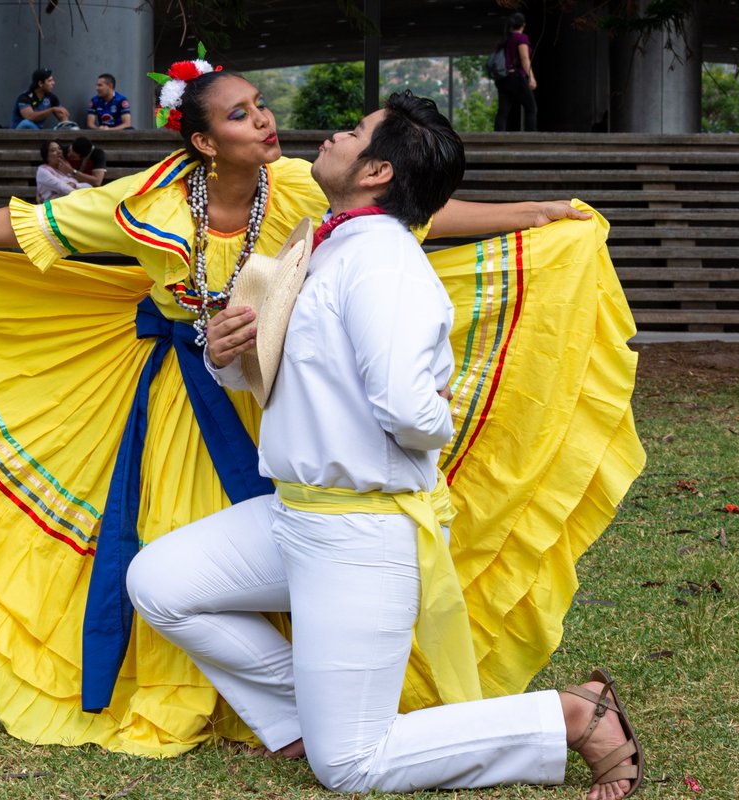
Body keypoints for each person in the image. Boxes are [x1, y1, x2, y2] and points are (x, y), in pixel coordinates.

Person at [0, 54, 644, 756]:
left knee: (289, 555)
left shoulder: (319, 198)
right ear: (202, 140)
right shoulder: (151, 202)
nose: (268, 121)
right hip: (202, 393)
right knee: (163, 561)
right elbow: (30, 230)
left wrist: (534, 212)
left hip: (308, 431)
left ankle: (402, 722)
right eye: (241, 115)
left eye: (263, 107)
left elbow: (415, 209)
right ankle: (278, 713)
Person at [126, 92, 642, 800]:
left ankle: (574, 717)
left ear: (376, 173)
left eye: (354, 131)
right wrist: (221, 354)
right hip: (297, 513)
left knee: (351, 769)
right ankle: (302, 719)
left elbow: (407, 407)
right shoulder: (326, 245)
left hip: (359, 528)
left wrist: (429, 427)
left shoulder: (384, 266)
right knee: (161, 581)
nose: (333, 136)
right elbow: (270, 376)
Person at [494, 12, 538, 132]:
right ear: (523, 25)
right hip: (516, 77)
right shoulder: (521, 38)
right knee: (531, 108)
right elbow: (524, 58)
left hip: (503, 78)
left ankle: (498, 137)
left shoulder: (505, 40)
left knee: (503, 111)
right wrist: (531, 77)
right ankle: (531, 138)